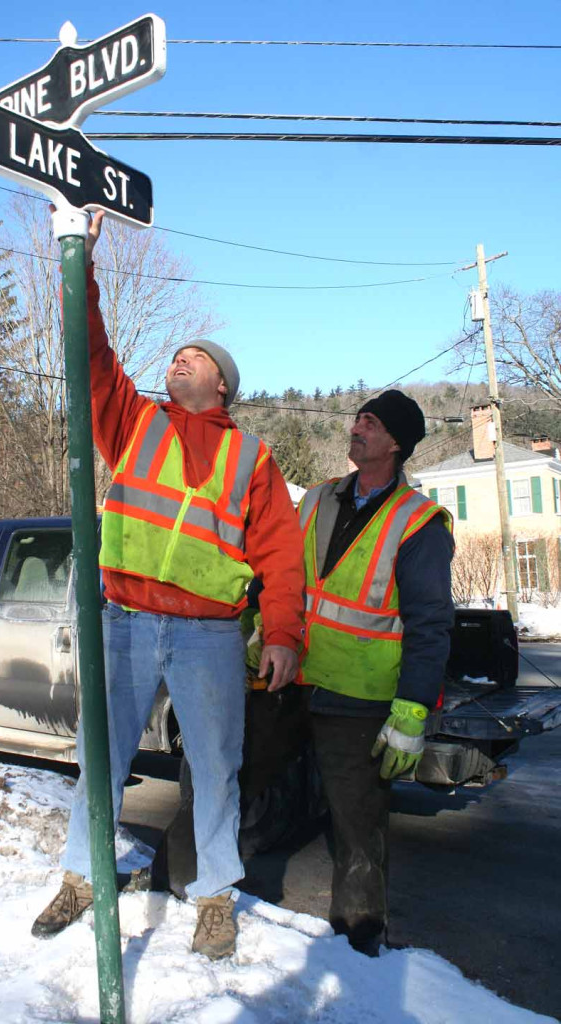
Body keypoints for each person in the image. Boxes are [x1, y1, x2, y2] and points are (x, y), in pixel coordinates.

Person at [32, 211, 305, 959]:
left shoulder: (252, 457)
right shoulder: (129, 421)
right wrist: (77, 258)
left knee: (215, 769)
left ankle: (213, 897)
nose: (177, 361)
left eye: (194, 356)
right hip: (123, 621)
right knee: (102, 758)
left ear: (221, 383)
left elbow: (281, 555)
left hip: (210, 636)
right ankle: (82, 875)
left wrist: (281, 633)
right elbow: (87, 349)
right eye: (175, 354)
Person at [288, 390, 454, 956]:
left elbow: (431, 625)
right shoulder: (313, 500)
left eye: (371, 422)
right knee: (231, 781)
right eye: (357, 417)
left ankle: (359, 945)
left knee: (358, 831)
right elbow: (279, 577)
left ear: (397, 444)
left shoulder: (418, 522)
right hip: (288, 680)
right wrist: (258, 632)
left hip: (359, 701)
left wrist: (412, 710)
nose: (356, 427)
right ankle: (190, 888)